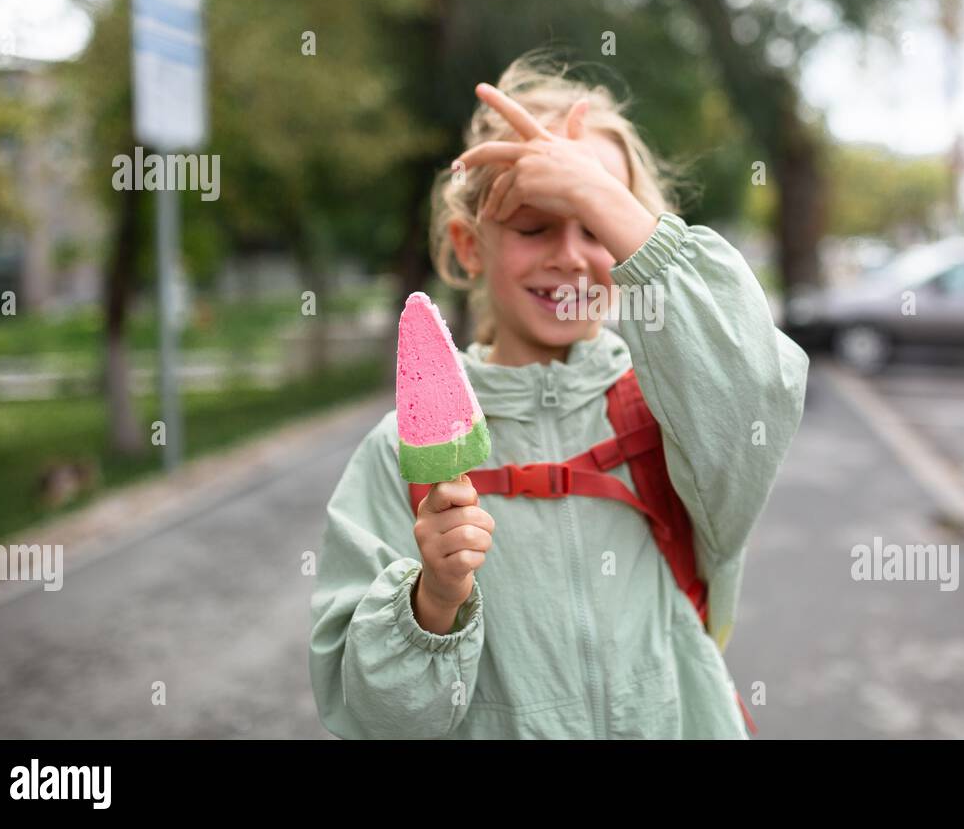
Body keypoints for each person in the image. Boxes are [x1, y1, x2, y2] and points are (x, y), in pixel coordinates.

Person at [308, 51, 808, 739]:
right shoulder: (399, 456)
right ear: (469, 244)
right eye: (535, 224)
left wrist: (606, 199)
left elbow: (756, 382)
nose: (571, 256)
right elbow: (369, 716)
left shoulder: (678, 416)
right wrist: (433, 603)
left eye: (598, 225)